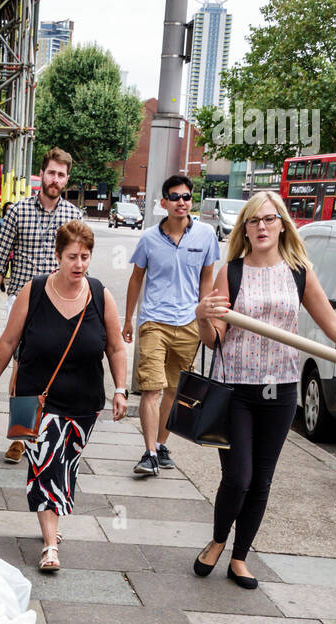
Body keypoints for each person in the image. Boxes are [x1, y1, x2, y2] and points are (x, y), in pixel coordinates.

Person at [193, 190, 336, 587]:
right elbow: (213, 338)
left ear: (283, 224)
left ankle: (239, 557)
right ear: (245, 229)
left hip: (281, 390)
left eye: (269, 219)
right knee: (239, 476)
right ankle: (218, 540)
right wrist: (203, 316)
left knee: (262, 479)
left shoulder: (298, 270)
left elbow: (333, 326)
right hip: (235, 388)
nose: (262, 226)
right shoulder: (231, 272)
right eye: (254, 221)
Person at [0, 220, 129, 572]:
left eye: (85, 257)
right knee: (44, 464)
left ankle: (52, 518)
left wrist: (120, 390)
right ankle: (50, 545)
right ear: (57, 256)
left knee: (66, 466)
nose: (79, 265)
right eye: (72, 257)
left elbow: (115, 347)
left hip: (84, 402)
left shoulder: (99, 294)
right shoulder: (32, 292)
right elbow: (8, 342)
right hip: (33, 399)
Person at [0, 149, 81, 463]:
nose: (56, 180)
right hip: (22, 301)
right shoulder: (18, 212)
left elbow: (81, 267)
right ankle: (20, 436)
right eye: (52, 173)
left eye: (61, 175)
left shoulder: (73, 217)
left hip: (60, 302)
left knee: (53, 371)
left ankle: (46, 433)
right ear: (42, 175)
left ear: (67, 180)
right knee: (22, 369)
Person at [123, 173, 219, 475]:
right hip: (154, 321)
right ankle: (149, 452)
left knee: (175, 391)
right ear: (164, 202)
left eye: (186, 197)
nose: (181, 202)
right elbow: (137, 277)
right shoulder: (149, 237)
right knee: (151, 388)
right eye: (175, 197)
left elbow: (207, 277)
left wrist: (206, 316)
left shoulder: (206, 235)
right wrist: (128, 318)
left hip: (189, 323)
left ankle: (161, 444)